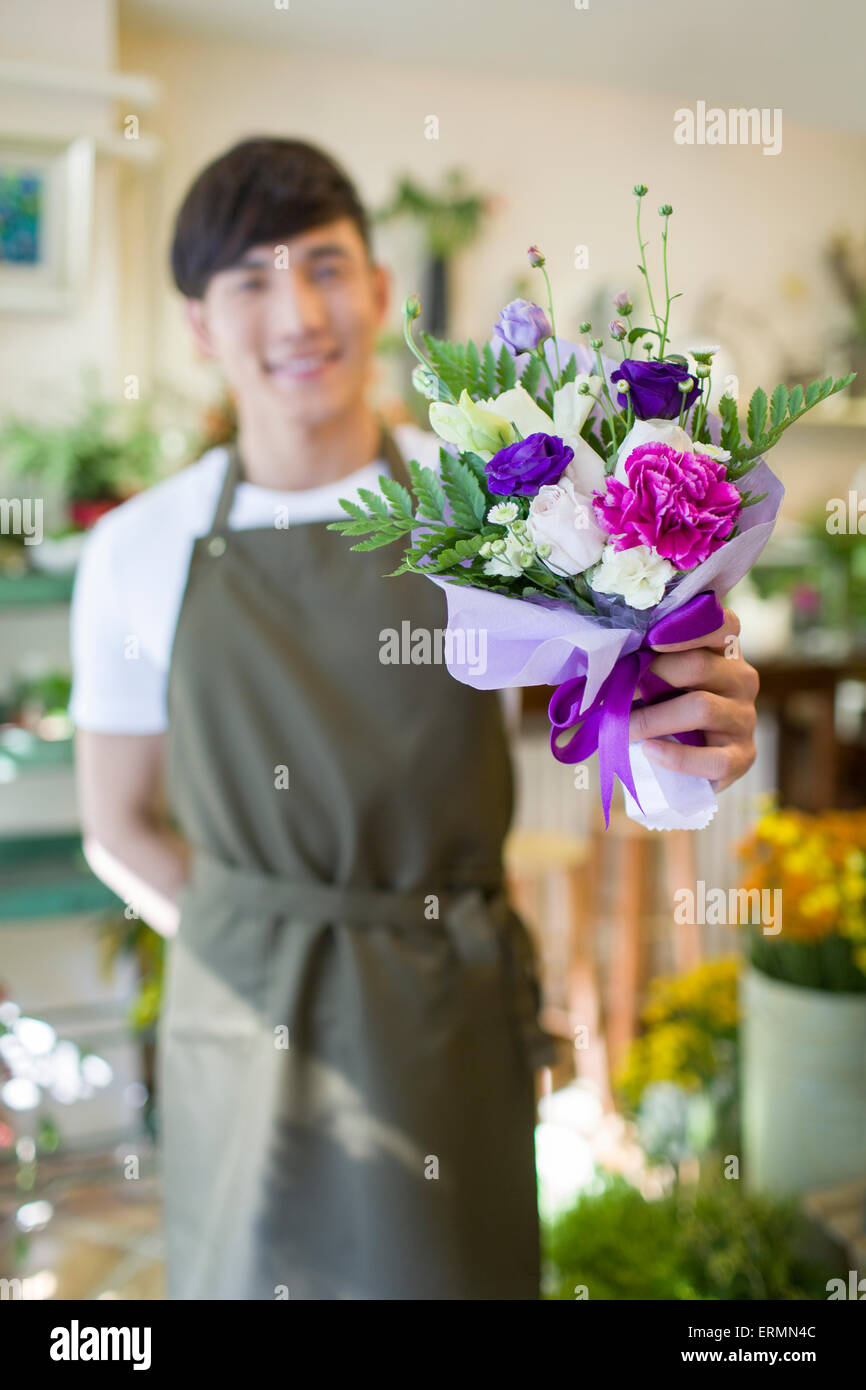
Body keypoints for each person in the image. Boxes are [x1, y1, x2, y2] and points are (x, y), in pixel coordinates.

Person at [70, 137, 760, 1301]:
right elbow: (116, 822)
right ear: (198, 324)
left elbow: (617, 731)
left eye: (326, 267)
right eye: (249, 280)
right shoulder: (137, 549)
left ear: (380, 292)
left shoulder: (497, 507)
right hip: (241, 1016)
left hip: (442, 1003)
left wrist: (683, 741)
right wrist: (261, 941)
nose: (296, 312)